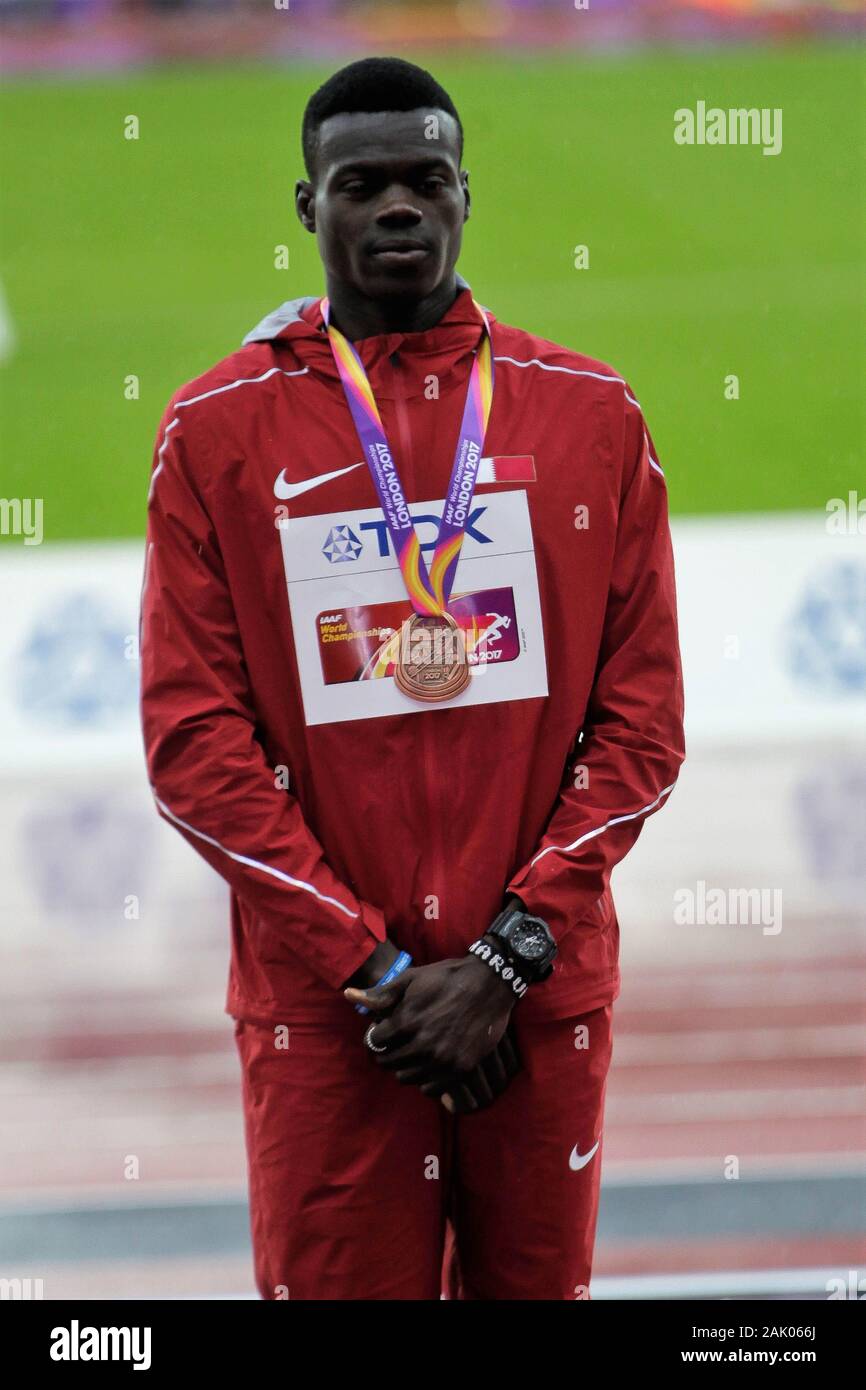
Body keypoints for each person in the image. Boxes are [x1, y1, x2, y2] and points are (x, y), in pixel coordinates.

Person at [140, 55, 685, 1300]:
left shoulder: (588, 414)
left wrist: (504, 959)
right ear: (306, 206)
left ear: (464, 196)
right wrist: (376, 971)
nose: (397, 207)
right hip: (334, 1022)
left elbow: (641, 723)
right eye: (361, 183)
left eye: (425, 180)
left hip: (535, 1001)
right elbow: (194, 747)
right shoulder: (218, 431)